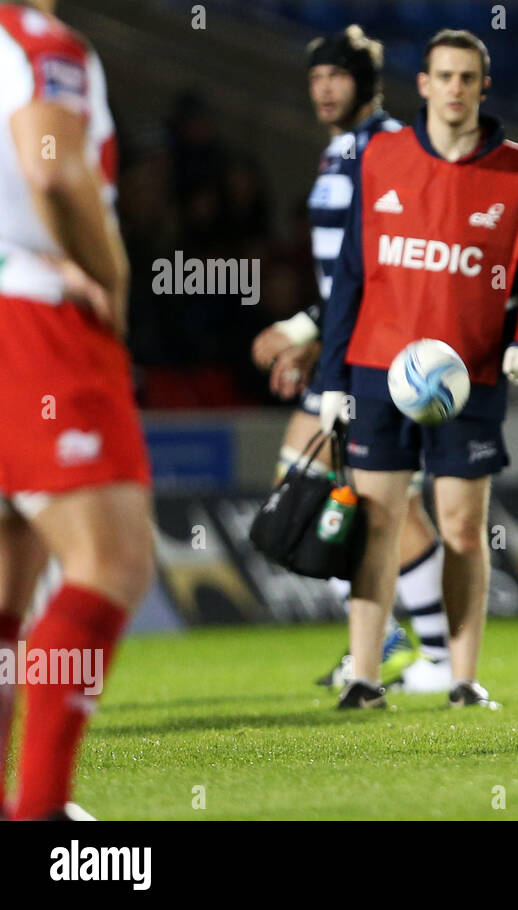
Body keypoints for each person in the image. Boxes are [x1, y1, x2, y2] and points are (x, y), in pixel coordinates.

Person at [318, 29, 518, 709]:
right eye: (444, 76)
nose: (455, 88)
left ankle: (462, 680)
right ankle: (364, 678)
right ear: (423, 84)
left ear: (483, 87)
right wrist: (330, 380)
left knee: (461, 528)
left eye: (467, 77)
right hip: (377, 369)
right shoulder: (381, 157)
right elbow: (349, 275)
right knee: (377, 524)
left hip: (470, 377)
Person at [249, 25, 451, 694]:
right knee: (347, 492)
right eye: (315, 78)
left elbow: (386, 264)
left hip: (380, 349)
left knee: (372, 500)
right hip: (350, 342)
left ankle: (430, 650)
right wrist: (319, 332)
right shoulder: (341, 153)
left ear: (365, 83)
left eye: (337, 75)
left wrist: (311, 331)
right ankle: (410, 642)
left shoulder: (388, 149)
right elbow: (345, 269)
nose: (324, 88)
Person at [0, 0, 154, 817]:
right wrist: (110, 274)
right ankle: (41, 811)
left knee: (8, 580)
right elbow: (53, 167)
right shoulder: (39, 44)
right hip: (37, 323)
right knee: (110, 561)